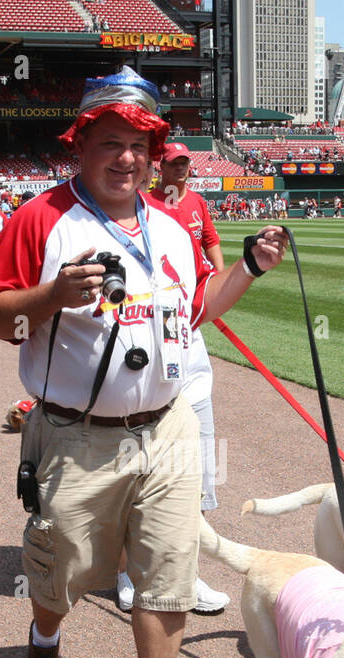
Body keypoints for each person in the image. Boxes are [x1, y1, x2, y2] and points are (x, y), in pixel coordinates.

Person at [0, 66, 289, 658]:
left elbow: (198, 314)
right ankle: (45, 639)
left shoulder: (171, 230)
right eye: (110, 143)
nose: (126, 158)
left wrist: (251, 267)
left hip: (168, 428)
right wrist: (50, 295)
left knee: (168, 571)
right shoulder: (42, 218)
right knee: (62, 571)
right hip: (76, 435)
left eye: (139, 146)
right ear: (80, 149)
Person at [135, 140, 230, 617]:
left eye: (185, 163)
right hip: (150, 339)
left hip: (189, 339)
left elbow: (211, 254)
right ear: (159, 167)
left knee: (198, 467)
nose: (181, 170)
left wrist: (223, 277)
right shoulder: (143, 206)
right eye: (173, 162)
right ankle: (130, 570)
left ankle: (188, 575)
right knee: (145, 463)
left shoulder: (195, 203)